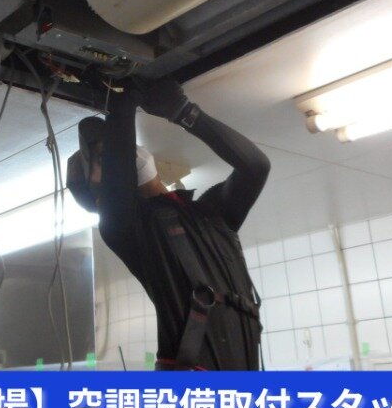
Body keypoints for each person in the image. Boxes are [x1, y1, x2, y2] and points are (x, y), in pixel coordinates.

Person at [67, 77, 270, 370]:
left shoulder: (211, 215)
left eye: (105, 155)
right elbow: (119, 177)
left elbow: (256, 167)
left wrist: (184, 112)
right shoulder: (123, 229)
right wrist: (125, 102)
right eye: (101, 160)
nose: (110, 159)